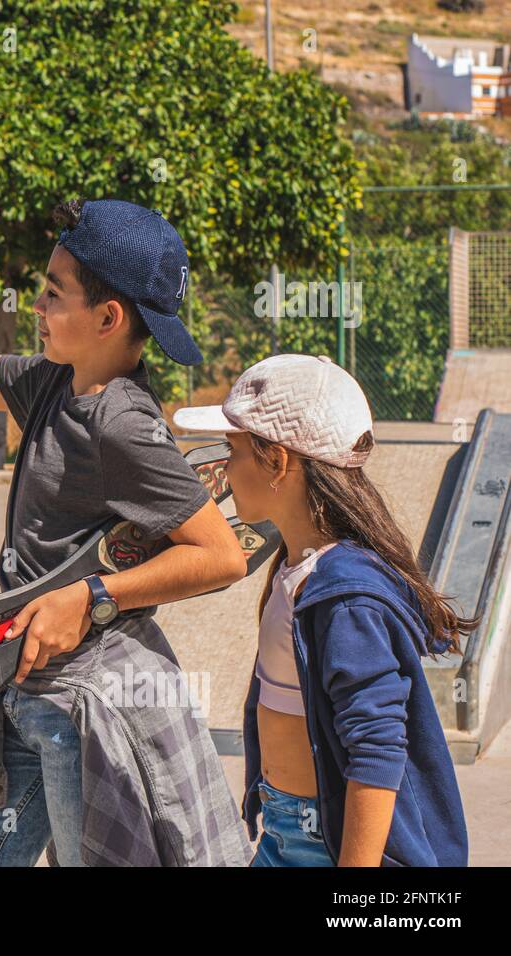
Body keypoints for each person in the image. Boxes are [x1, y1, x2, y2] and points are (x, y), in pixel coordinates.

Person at [0, 161, 252, 866]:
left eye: (52, 293)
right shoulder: (53, 382)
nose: (36, 307)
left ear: (107, 318)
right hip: (20, 685)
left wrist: (93, 595)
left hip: (82, 705)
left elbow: (220, 555)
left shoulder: (122, 423)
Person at [173, 354, 471, 866]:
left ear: (277, 462)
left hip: (325, 847)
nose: (223, 468)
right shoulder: (298, 566)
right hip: (284, 830)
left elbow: (376, 749)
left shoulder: (345, 597)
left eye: (232, 450)